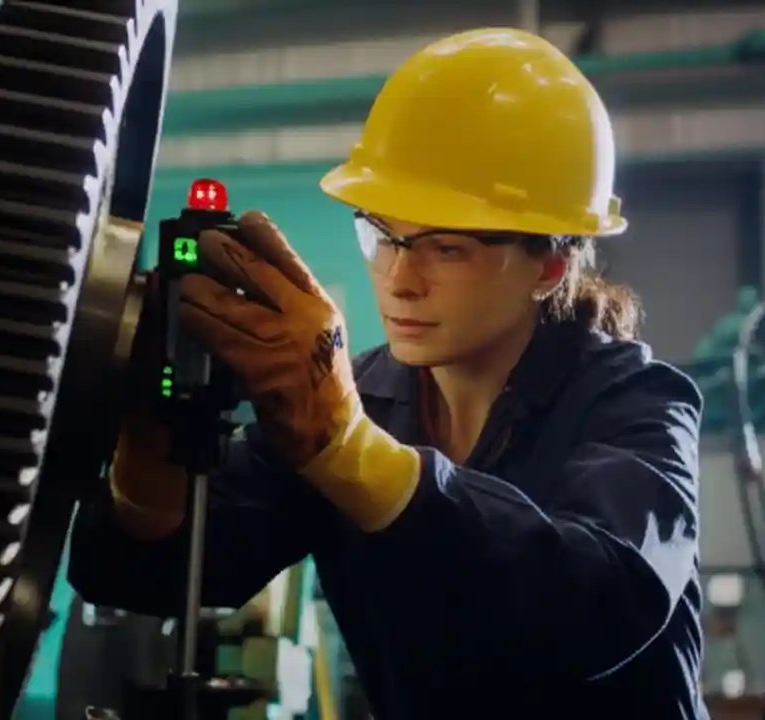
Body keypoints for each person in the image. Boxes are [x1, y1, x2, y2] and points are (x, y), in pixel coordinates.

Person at [70, 27, 707, 719]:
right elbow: (141, 575)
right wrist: (151, 445)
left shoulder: (636, 403)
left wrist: (351, 454)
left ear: (550, 266)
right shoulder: (360, 398)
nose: (401, 280)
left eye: (448, 248)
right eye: (384, 236)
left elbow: (598, 607)